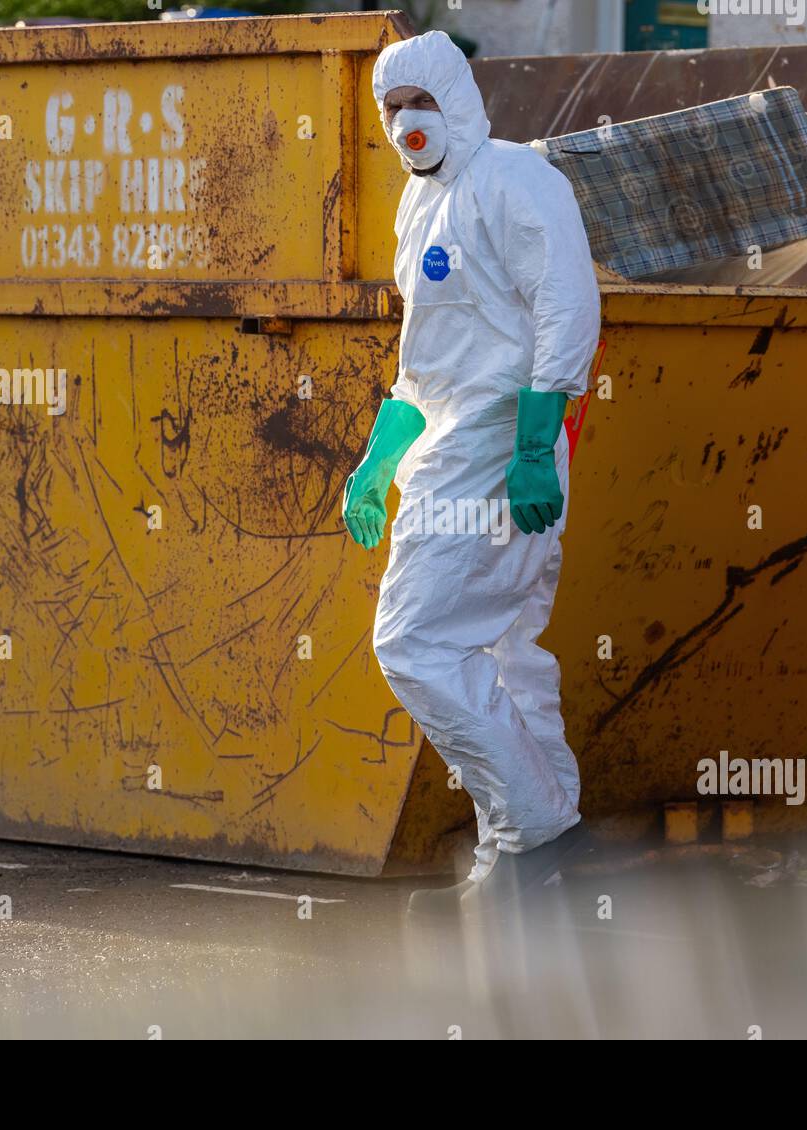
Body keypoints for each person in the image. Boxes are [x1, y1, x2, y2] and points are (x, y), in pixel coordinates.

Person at [342, 30, 601, 917]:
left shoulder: (516, 180)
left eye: (421, 102)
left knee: (411, 643)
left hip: (496, 450)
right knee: (501, 647)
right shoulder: (419, 211)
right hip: (446, 447)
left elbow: (568, 306)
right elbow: (425, 365)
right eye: (391, 108)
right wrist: (380, 458)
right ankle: (531, 852)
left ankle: (535, 832)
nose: (406, 123)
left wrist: (535, 445)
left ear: (457, 99)